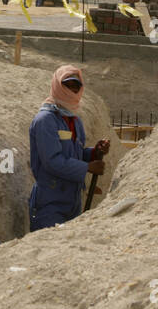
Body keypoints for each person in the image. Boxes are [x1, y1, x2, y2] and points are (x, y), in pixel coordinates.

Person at [28, 65, 110, 231]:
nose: (72, 90)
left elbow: (75, 153)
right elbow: (52, 161)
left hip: (72, 200)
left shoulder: (74, 119)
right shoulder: (45, 120)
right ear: (58, 86)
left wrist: (95, 152)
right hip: (50, 201)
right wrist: (87, 167)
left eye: (76, 86)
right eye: (68, 85)